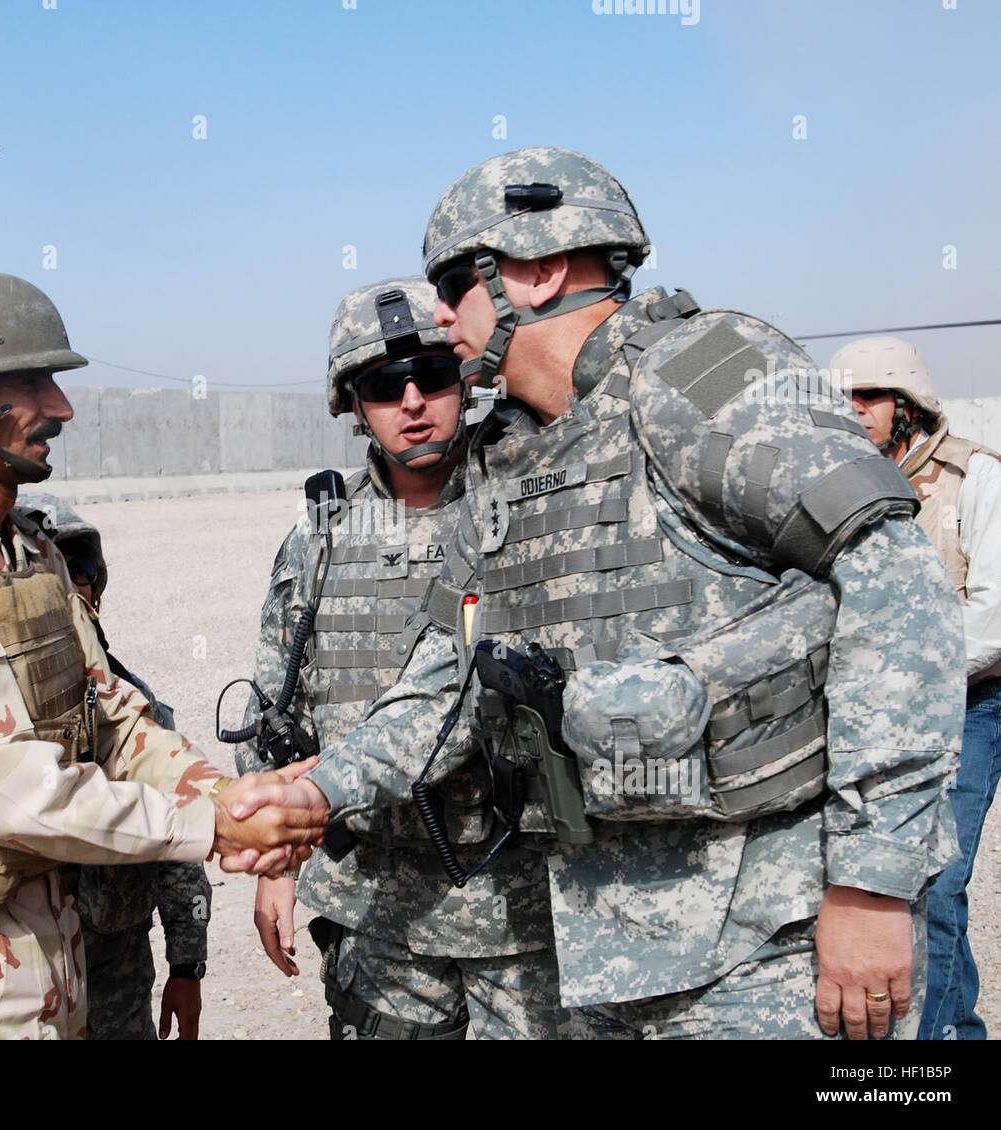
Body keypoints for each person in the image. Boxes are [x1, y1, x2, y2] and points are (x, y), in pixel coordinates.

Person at [252, 148, 965, 1039]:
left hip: (771, 950)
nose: (439, 315)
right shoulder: (512, 456)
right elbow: (452, 677)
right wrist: (321, 790)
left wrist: (872, 886)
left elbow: (900, 596)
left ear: (541, 271)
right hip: (603, 953)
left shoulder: (705, 374)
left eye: (454, 284)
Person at [0, 269, 324, 1040]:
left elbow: (108, 713)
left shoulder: (25, 553)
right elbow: (10, 788)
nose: (62, 407)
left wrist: (221, 794)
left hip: (54, 968)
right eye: (30, 381)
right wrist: (213, 830)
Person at [237, 277, 562, 1040]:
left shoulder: (535, 504)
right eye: (385, 385)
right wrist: (278, 869)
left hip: (523, 909)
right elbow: (276, 708)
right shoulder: (321, 539)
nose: (413, 400)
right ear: (355, 406)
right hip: (379, 913)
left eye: (433, 376)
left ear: (465, 379)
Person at [834, 335, 1001, 1040]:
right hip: (871, 717)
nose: (854, 411)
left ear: (909, 405)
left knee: (934, 884)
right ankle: (956, 1029)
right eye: (843, 398)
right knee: (916, 888)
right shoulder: (844, 483)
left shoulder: (975, 478)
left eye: (868, 397)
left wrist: (901, 673)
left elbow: (993, 614)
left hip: (965, 708)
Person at [17, 492, 212, 1041]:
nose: (73, 587)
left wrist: (186, 966)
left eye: (80, 569)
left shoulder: (132, 706)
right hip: (21, 975)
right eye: (53, 571)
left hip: (115, 973)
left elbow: (178, 847)